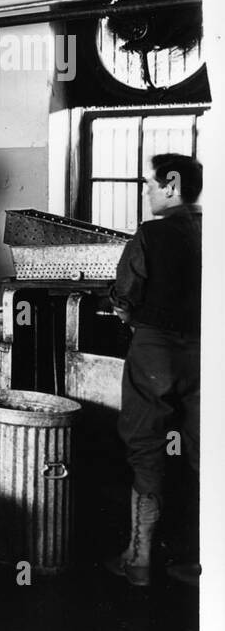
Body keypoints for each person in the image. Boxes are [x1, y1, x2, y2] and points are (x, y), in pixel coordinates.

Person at [106, 153, 202, 587]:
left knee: (147, 447)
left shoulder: (152, 234)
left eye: (149, 183)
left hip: (156, 351)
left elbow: (124, 298)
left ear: (172, 184)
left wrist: (127, 313)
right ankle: (196, 562)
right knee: (204, 454)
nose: (145, 191)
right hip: (206, 353)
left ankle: (140, 558)